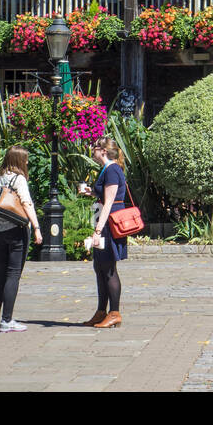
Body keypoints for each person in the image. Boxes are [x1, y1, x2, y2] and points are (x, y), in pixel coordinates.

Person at [0, 146, 43, 332]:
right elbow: (26, 203)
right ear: (19, 161)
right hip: (17, 229)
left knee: (0, 274)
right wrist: (36, 227)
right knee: (13, 274)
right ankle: (7, 320)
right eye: (25, 160)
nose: (27, 163)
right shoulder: (19, 180)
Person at [79, 136, 129, 328]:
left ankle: (114, 312)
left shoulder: (113, 170)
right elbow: (106, 196)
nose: (93, 150)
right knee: (99, 266)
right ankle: (101, 312)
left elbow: (109, 202)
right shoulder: (107, 170)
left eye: (95, 147)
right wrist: (92, 192)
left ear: (104, 151)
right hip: (104, 219)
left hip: (109, 223)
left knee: (108, 268)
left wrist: (98, 230)